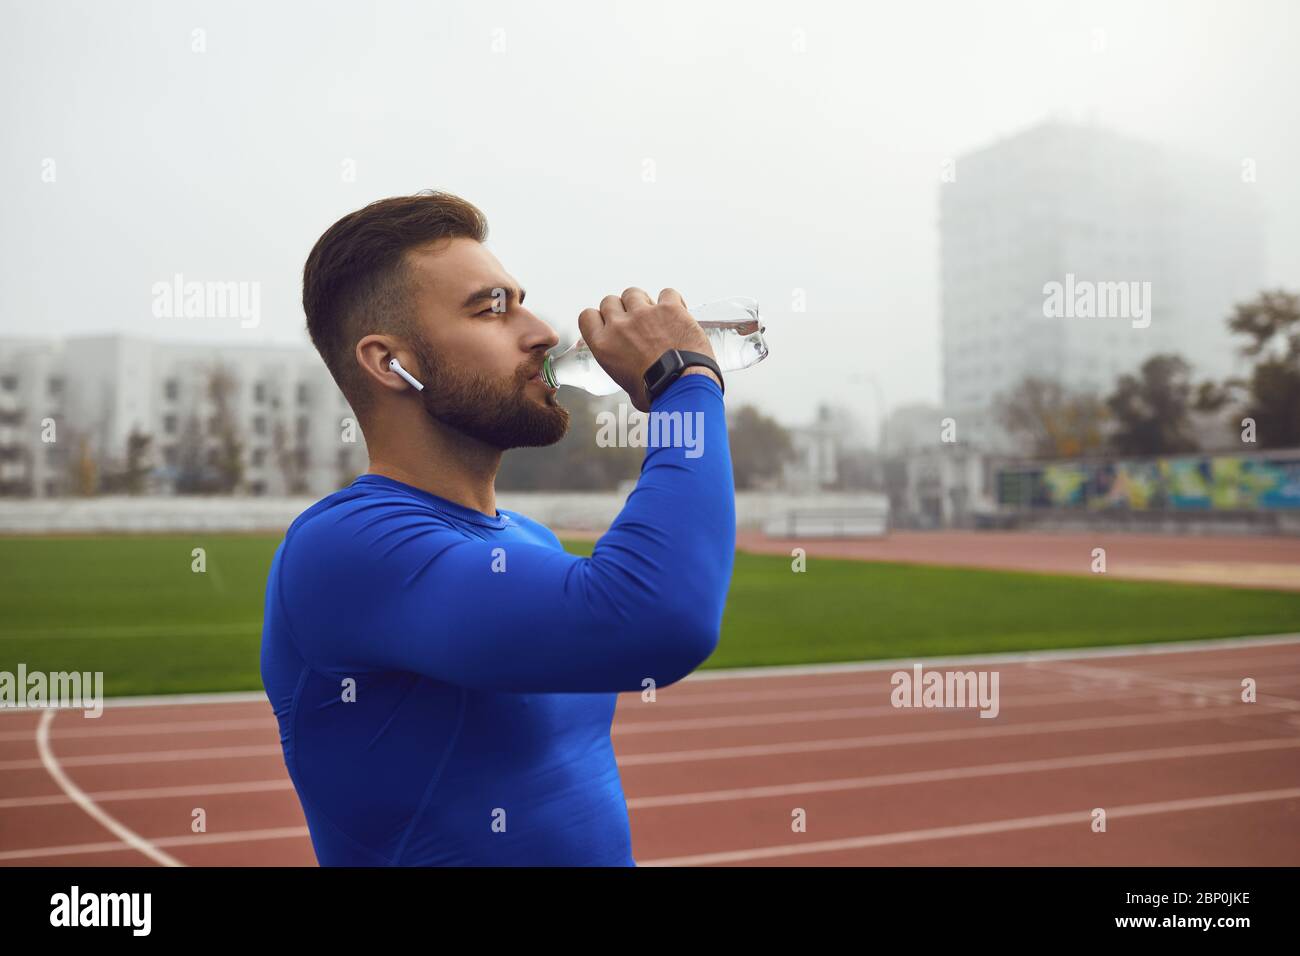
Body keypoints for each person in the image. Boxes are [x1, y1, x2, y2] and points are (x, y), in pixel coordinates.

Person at [260, 190, 736, 865]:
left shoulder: (528, 541)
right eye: (492, 308)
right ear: (388, 362)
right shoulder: (343, 550)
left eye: (521, 300)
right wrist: (682, 380)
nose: (541, 331)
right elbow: (659, 618)